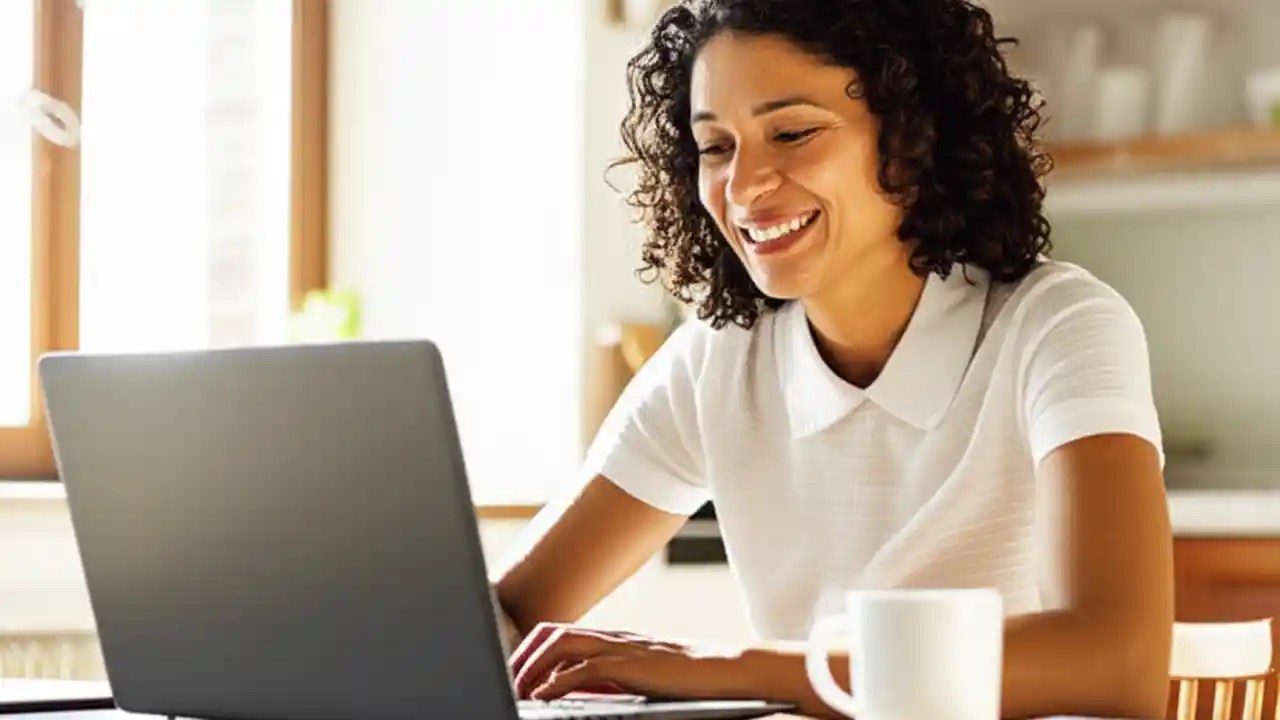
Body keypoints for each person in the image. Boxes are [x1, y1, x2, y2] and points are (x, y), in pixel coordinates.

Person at [496, 1, 1174, 718]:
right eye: (717, 146)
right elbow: (508, 614)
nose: (743, 185)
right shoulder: (720, 357)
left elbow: (1115, 662)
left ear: (914, 139)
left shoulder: (1057, 326)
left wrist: (728, 668)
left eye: (791, 133)